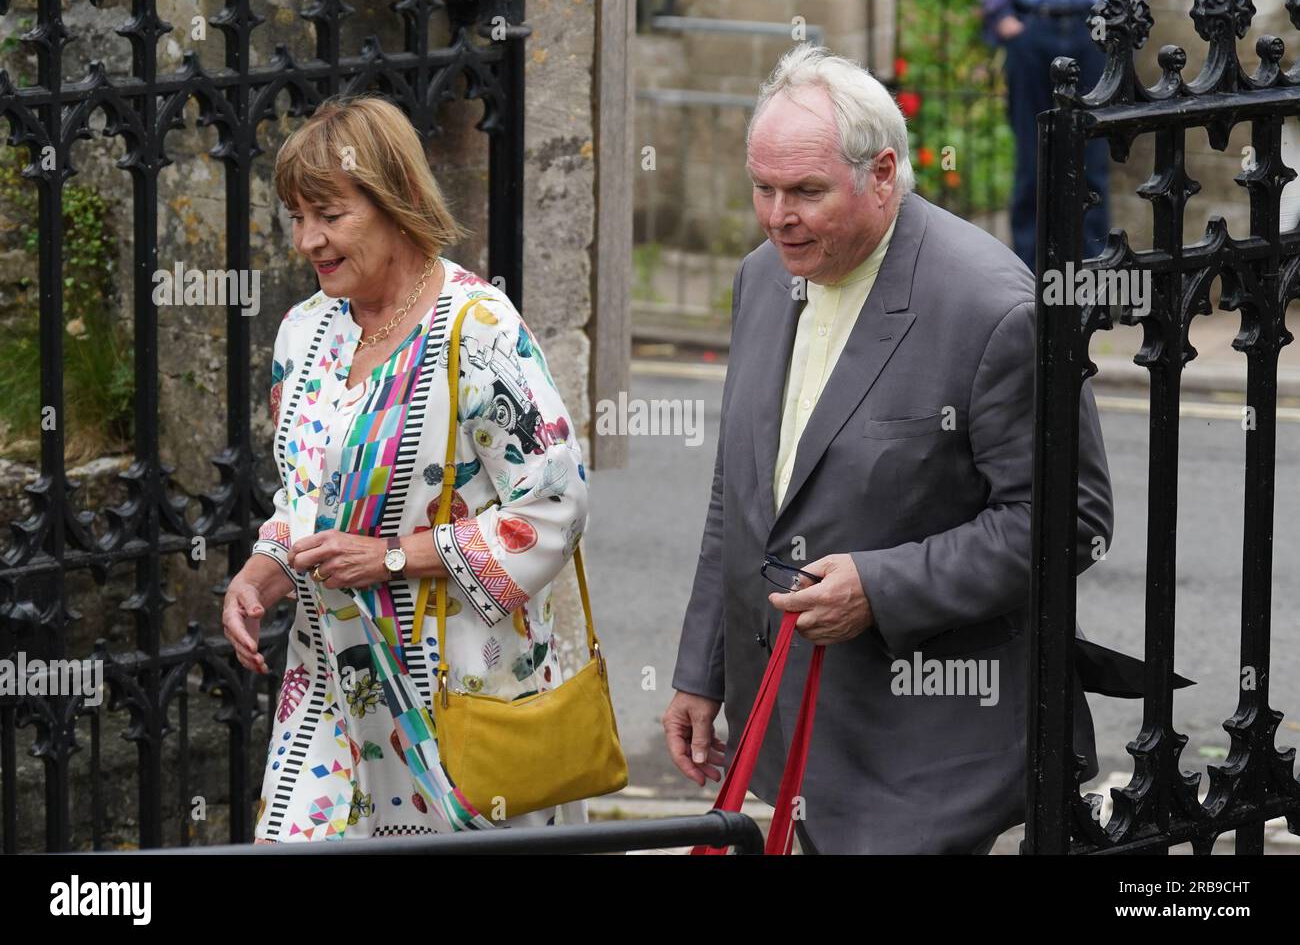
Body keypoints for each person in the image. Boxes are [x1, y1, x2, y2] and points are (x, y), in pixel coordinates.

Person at [663, 44, 1116, 854]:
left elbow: (1065, 520)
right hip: (788, 723)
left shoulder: (994, 308)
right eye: (761, 189)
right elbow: (740, 490)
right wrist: (701, 668)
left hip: (922, 750)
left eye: (805, 192)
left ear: (882, 173)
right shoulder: (763, 277)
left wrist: (881, 584)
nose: (776, 217)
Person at [221, 95, 589, 842]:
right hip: (330, 696)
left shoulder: (478, 326)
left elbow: (554, 505)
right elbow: (304, 494)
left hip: (464, 707)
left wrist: (392, 556)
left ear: (396, 200)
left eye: (329, 214)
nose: (308, 240)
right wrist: (265, 567)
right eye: (297, 216)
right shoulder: (303, 332)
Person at [975, 0, 1139, 268]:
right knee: (1031, 162)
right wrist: (1000, 13)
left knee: (1093, 165)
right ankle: (1028, 281)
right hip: (1030, 26)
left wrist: (1129, 14)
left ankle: (1090, 282)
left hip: (1098, 29)